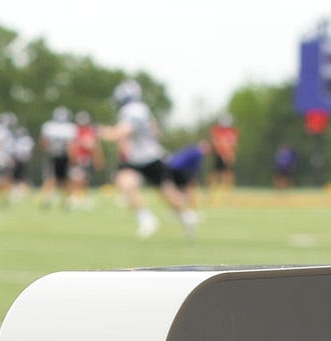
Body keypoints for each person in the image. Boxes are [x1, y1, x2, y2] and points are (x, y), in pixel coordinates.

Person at [102, 79, 196, 239]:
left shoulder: (132, 110)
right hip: (137, 159)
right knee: (125, 183)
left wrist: (103, 132)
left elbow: (123, 132)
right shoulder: (142, 109)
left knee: (167, 194)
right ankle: (147, 219)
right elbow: (156, 131)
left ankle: (185, 215)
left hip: (151, 158)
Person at [39, 106, 76, 208]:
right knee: (65, 179)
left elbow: (44, 143)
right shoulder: (70, 128)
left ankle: (47, 199)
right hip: (64, 156)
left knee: (50, 178)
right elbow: (70, 145)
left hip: (52, 155)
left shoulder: (48, 127)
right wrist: (73, 158)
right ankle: (67, 201)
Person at [206, 113, 238, 200]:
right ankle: (210, 192)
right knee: (215, 173)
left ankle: (227, 193)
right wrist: (221, 154)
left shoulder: (232, 131)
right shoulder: (216, 130)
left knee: (227, 174)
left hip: (228, 155)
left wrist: (231, 154)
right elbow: (215, 143)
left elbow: (234, 144)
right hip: (218, 155)